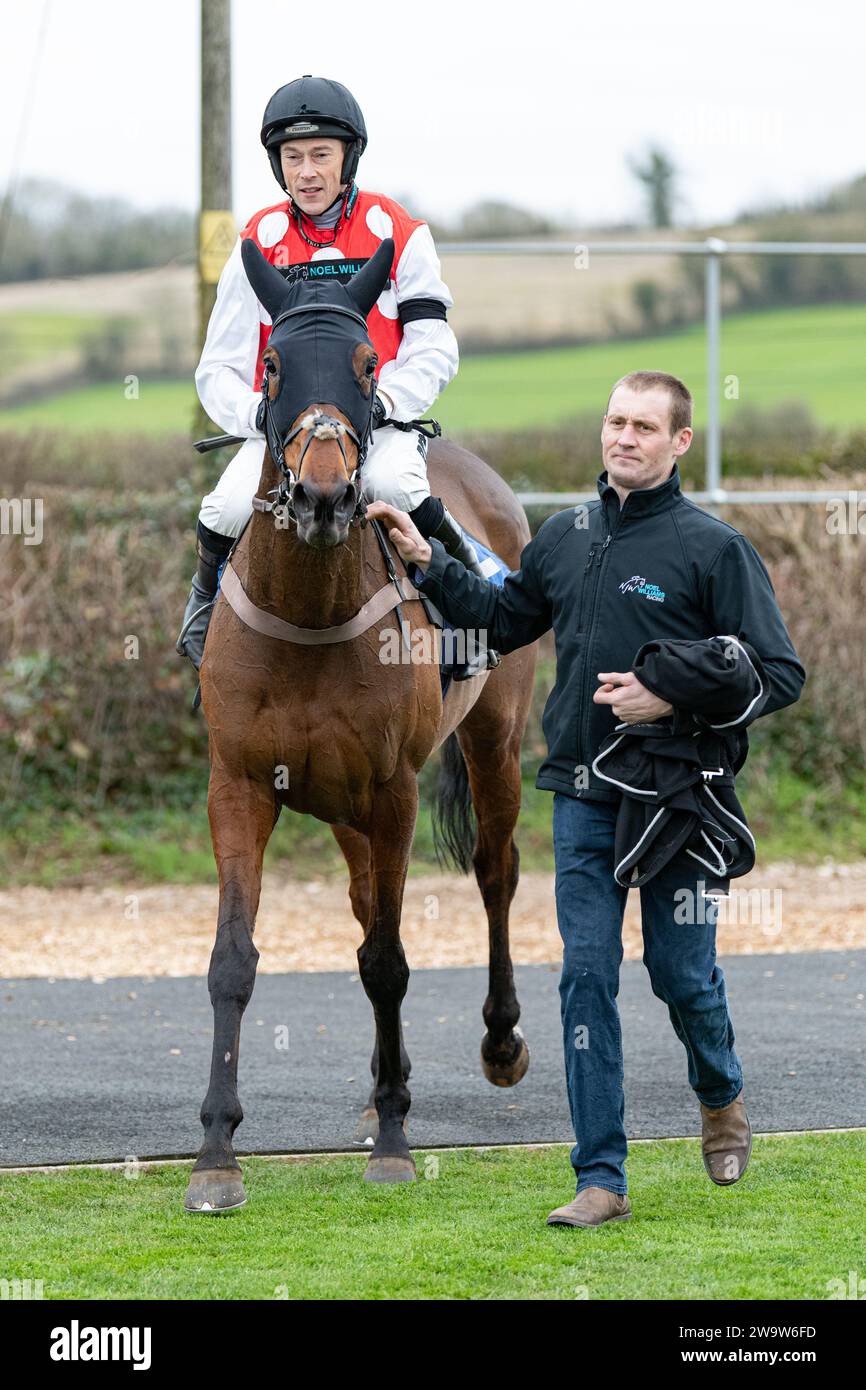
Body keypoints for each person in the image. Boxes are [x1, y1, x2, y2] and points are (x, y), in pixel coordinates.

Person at [366, 370, 806, 1229]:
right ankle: (600, 1176)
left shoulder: (713, 549)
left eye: (645, 426)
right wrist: (430, 561)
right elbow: (500, 621)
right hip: (582, 795)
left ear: (680, 442)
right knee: (584, 980)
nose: (624, 437)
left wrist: (670, 697)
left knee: (680, 977)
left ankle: (719, 1092)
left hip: (678, 798)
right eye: (615, 421)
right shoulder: (567, 536)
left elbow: (778, 672)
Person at [177, 74, 493, 679]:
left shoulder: (400, 230)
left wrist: (386, 403)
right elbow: (217, 367)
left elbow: (435, 344)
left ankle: (472, 612)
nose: (307, 172)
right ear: (278, 164)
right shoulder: (257, 240)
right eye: (293, 158)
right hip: (286, 431)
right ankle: (202, 616)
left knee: (397, 487)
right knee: (225, 505)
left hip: (377, 421)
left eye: (321, 155)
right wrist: (258, 417)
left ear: (349, 156)